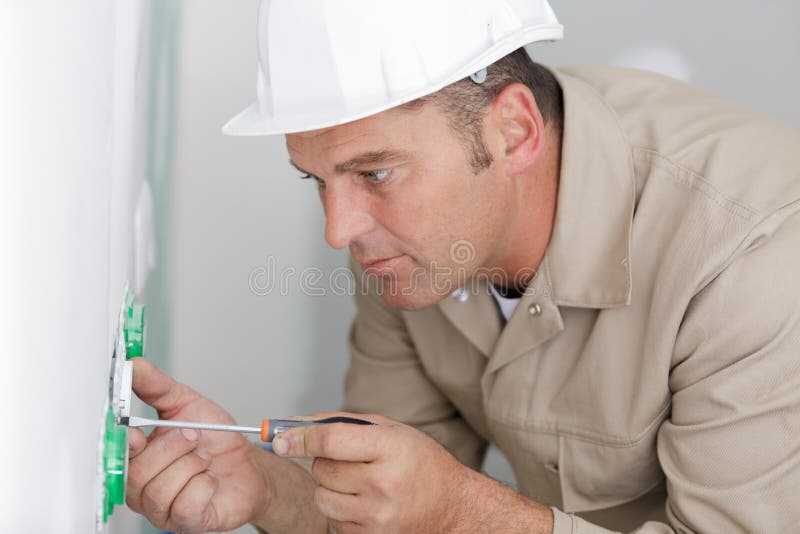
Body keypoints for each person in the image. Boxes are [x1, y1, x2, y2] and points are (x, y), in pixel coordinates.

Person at [125, 1, 800, 532]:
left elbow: (436, 513)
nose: (340, 230)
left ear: (514, 132)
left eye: (377, 172)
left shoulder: (750, 256)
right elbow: (385, 508)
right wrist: (263, 485)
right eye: (317, 181)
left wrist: (461, 515)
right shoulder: (401, 248)